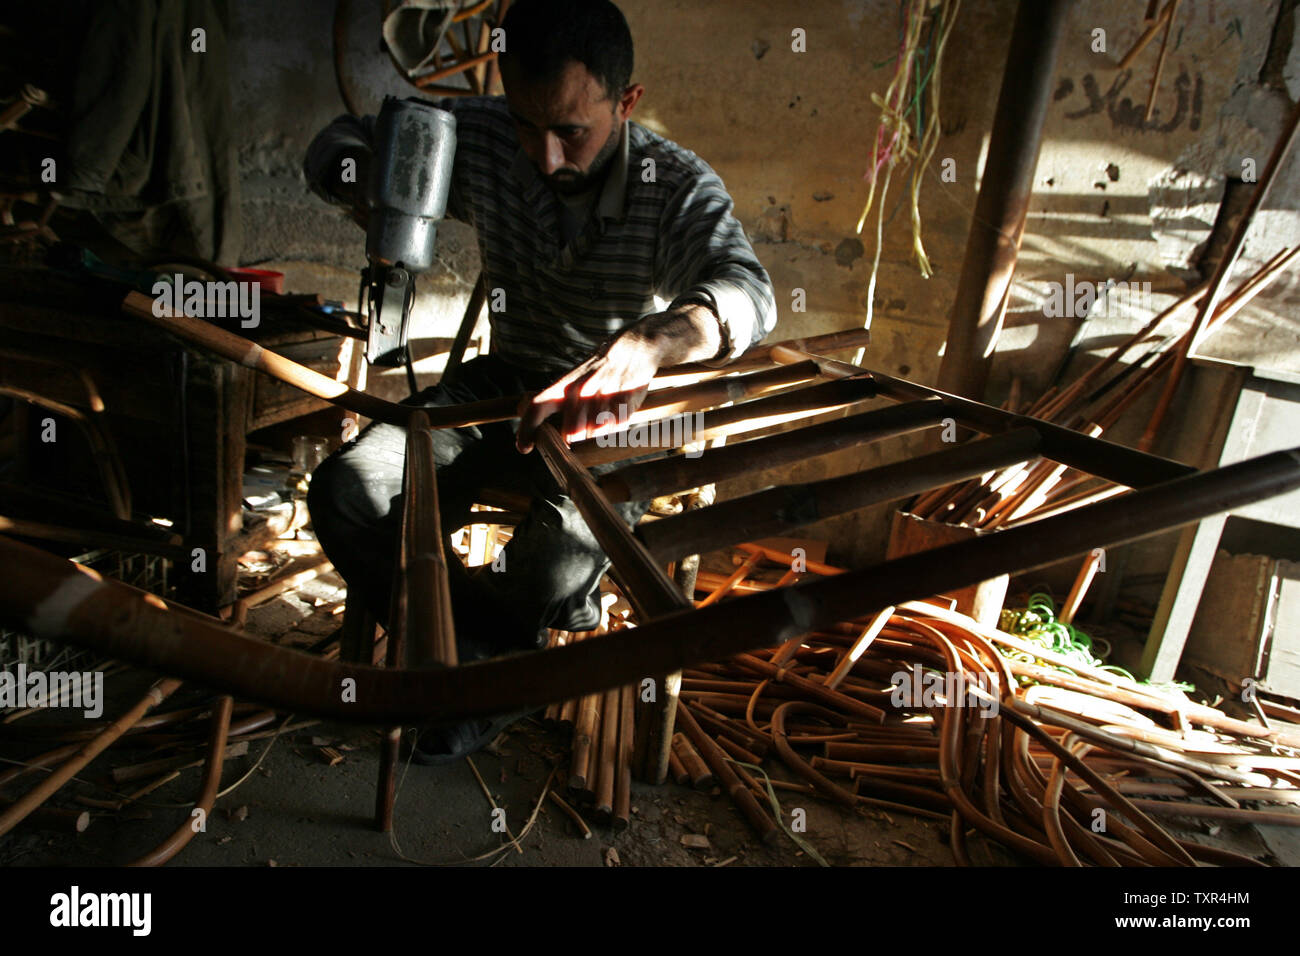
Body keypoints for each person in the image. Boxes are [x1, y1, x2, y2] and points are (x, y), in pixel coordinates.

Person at [303, 0, 776, 761]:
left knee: (557, 557)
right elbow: (344, 138)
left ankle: (471, 663)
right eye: (528, 125)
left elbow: (751, 295)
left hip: (609, 416)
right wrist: (361, 177)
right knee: (346, 492)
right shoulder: (490, 138)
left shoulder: (673, 184)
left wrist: (653, 341)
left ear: (626, 103)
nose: (545, 156)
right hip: (501, 385)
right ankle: (496, 665)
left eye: (570, 131)